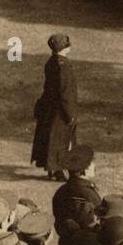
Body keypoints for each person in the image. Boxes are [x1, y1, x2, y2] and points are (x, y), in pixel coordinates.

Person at [31, 34, 78, 180]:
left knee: (52, 139)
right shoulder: (64, 66)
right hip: (61, 110)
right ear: (66, 47)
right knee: (63, 140)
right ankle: (59, 172)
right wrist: (70, 114)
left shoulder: (51, 62)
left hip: (50, 107)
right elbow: (65, 93)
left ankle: (52, 170)